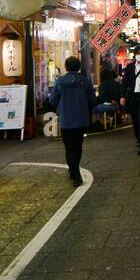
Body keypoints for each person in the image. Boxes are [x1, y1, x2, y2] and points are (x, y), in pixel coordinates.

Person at [48, 56, 97, 186]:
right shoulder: (85, 81)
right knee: (78, 146)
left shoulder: (60, 81)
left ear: (66, 67)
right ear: (79, 67)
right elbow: (92, 99)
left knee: (69, 147)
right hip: (81, 119)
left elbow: (52, 101)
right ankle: (74, 171)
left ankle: (74, 173)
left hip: (66, 121)